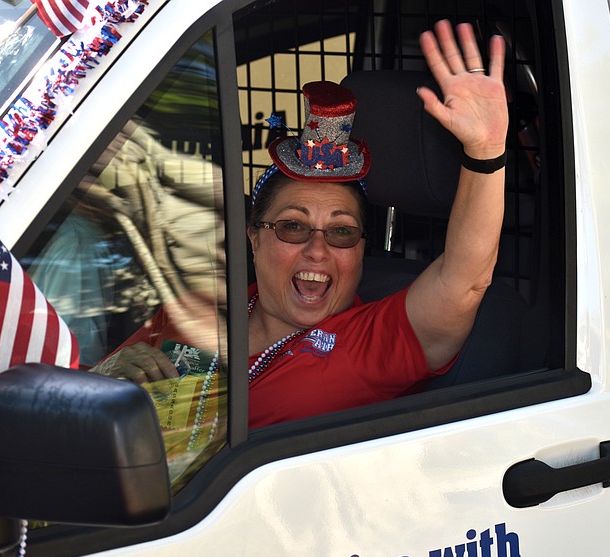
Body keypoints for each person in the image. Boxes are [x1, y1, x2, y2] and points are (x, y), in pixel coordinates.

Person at [93, 20, 508, 429]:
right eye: (293, 226)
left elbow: (464, 280)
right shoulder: (196, 312)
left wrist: (485, 152)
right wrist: (105, 377)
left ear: (362, 246)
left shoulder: (373, 342)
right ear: (254, 237)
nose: (318, 249)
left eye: (342, 231)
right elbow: (90, 399)